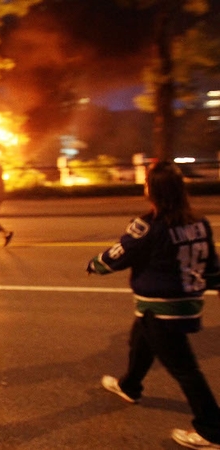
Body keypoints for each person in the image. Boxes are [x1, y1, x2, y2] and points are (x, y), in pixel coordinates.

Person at [87, 161, 220, 449]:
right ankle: (129, 386)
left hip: (162, 307)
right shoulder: (199, 222)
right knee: (140, 340)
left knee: (185, 369)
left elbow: (121, 253)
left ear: (153, 191)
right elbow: (212, 264)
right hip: (186, 303)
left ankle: (212, 430)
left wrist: (95, 264)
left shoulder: (149, 225)